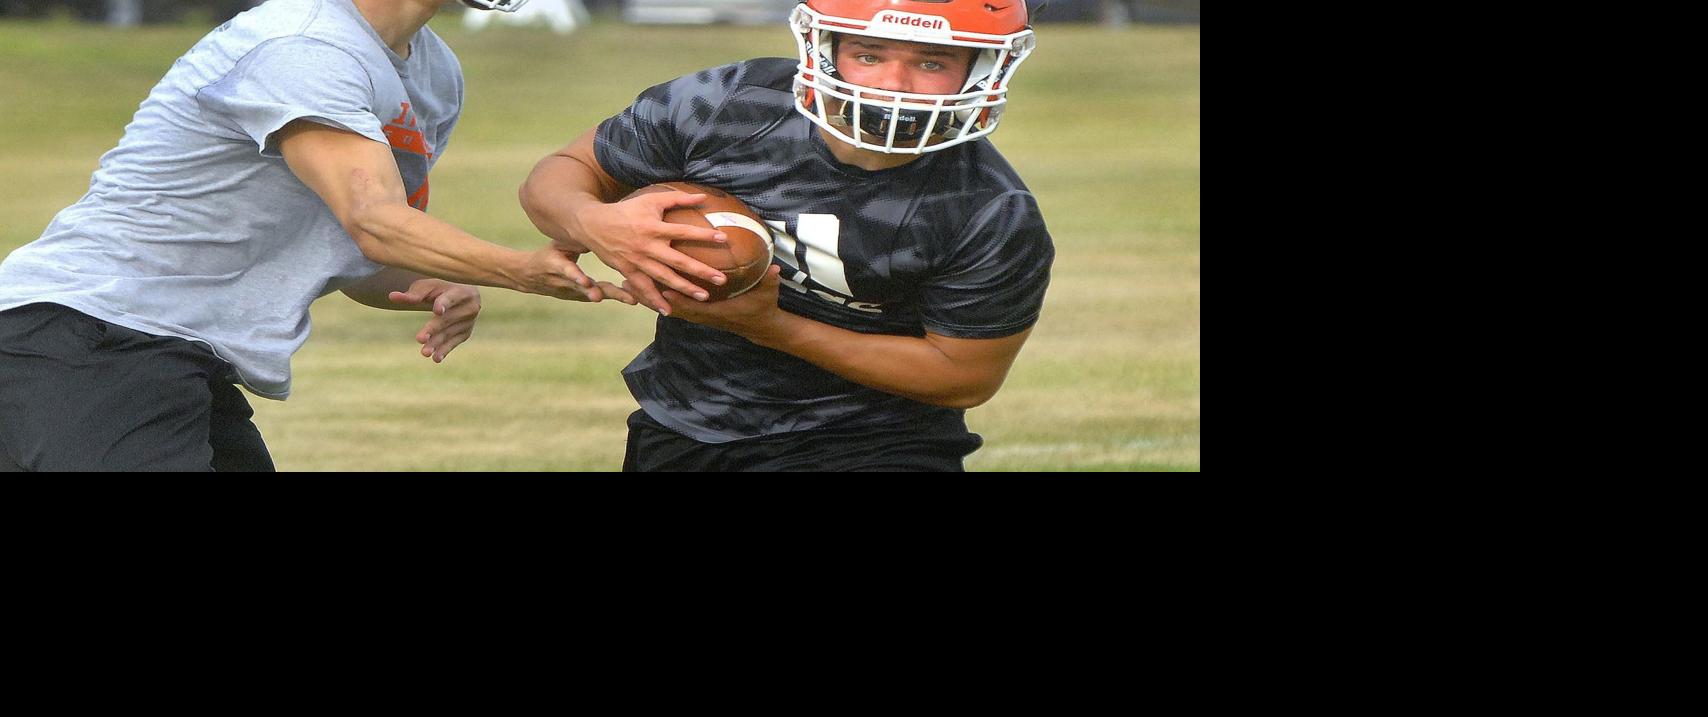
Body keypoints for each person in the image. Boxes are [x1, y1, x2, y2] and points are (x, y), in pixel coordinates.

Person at [0, 0, 682, 472]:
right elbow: (374, 221)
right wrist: (518, 270)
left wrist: (434, 280)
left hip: (168, 354)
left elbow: (357, 251)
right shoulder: (302, 45)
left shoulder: (433, 75)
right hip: (84, 336)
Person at [520, 0, 1054, 472]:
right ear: (825, 48)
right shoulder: (730, 103)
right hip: (687, 419)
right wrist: (596, 223)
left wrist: (773, 326)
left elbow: (963, 377)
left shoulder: (990, 210)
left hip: (874, 440)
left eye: (931, 63)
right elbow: (562, 173)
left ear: (981, 69)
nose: (893, 83)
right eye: (868, 55)